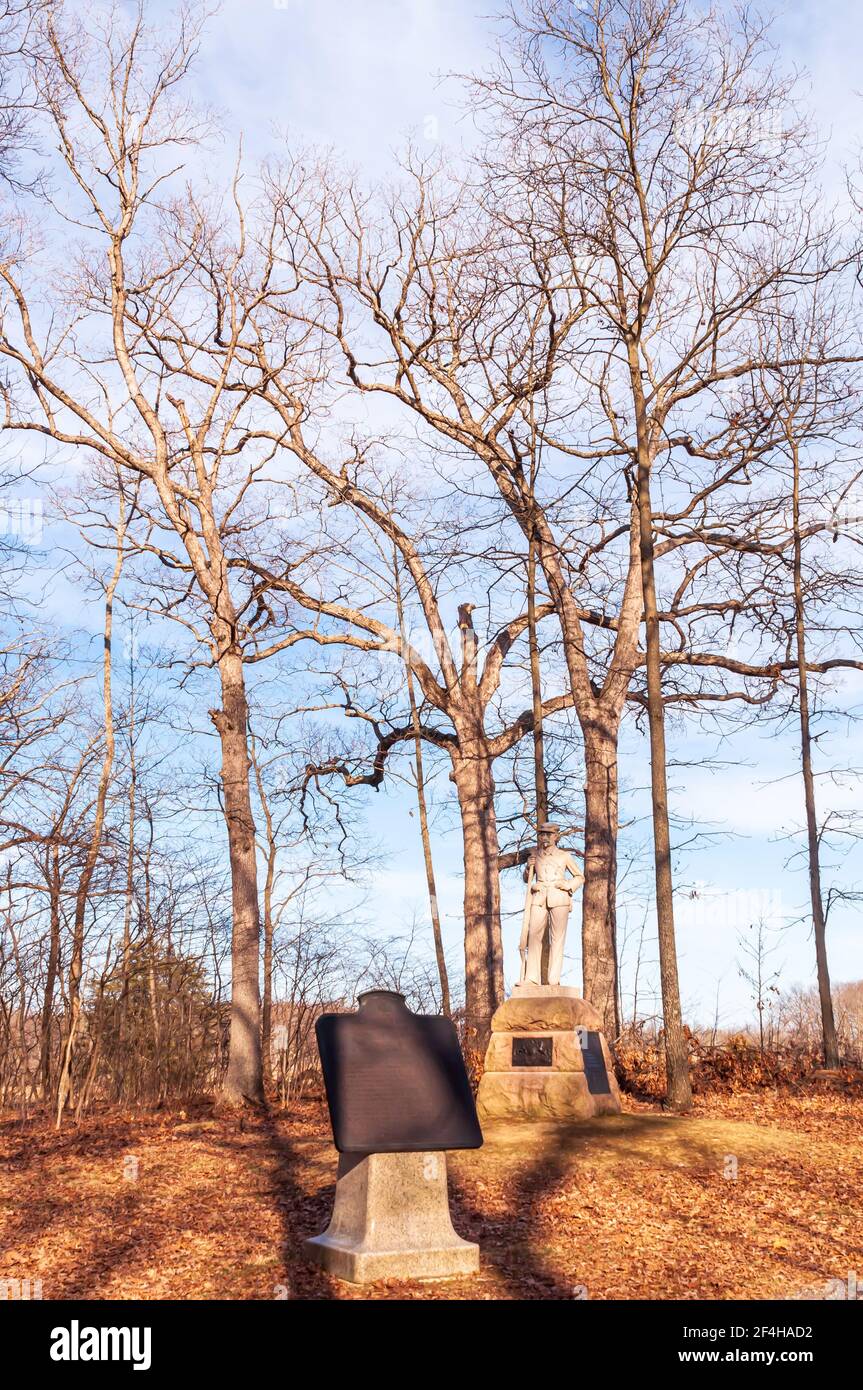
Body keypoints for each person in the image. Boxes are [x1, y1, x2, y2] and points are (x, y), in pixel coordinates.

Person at [519, 822, 584, 986]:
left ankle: (553, 979)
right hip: (539, 896)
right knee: (533, 936)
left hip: (559, 897)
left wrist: (569, 885)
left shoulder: (564, 856)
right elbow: (527, 879)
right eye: (542, 834)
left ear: (556, 836)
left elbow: (580, 877)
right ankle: (532, 978)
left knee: (557, 939)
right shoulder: (535, 856)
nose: (545, 837)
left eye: (548, 834)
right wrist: (528, 867)